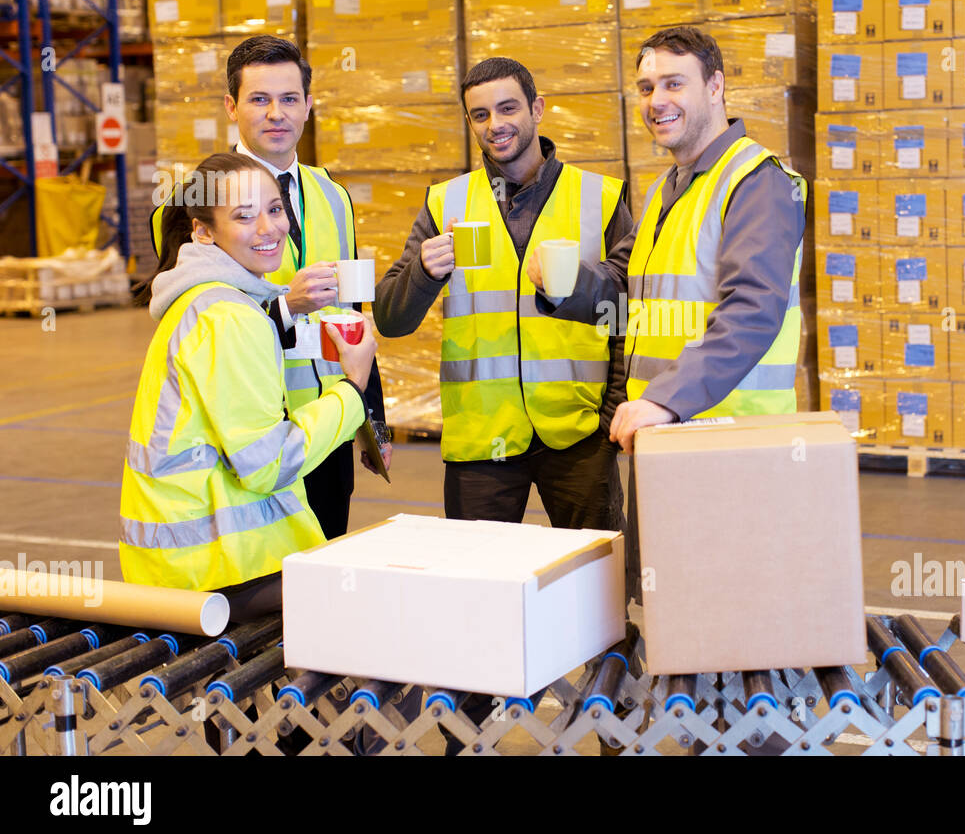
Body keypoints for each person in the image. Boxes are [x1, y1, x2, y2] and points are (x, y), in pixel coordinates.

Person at [527, 25, 806, 611]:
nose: (657, 102)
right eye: (647, 87)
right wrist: (565, 286)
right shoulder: (664, 190)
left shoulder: (756, 182)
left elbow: (753, 309)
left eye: (674, 83)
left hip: (730, 443)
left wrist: (666, 398)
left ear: (717, 86)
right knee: (676, 611)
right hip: (669, 441)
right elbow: (625, 288)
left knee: (729, 618)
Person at [374, 57, 631, 532]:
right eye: (480, 114)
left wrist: (609, 420)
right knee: (481, 591)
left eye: (508, 108)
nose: (496, 125)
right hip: (481, 441)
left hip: (577, 437)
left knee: (597, 589)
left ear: (537, 109)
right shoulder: (445, 203)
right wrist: (424, 272)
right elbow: (391, 319)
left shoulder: (599, 197)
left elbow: (626, 314)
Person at [153, 35, 391, 540]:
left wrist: (372, 418)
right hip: (248, 440)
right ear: (231, 106)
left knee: (322, 583)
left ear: (308, 105)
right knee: (266, 598)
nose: (275, 113)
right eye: (259, 99)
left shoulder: (334, 196)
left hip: (326, 428)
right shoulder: (193, 201)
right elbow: (193, 328)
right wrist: (285, 305)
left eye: (288, 99)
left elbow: (353, 314)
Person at [121, 153, 378, 619]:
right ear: (204, 231)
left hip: (186, 559)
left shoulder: (203, 300)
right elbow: (267, 464)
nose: (269, 228)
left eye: (275, 209)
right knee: (376, 600)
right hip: (217, 568)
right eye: (244, 216)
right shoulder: (229, 317)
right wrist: (353, 390)